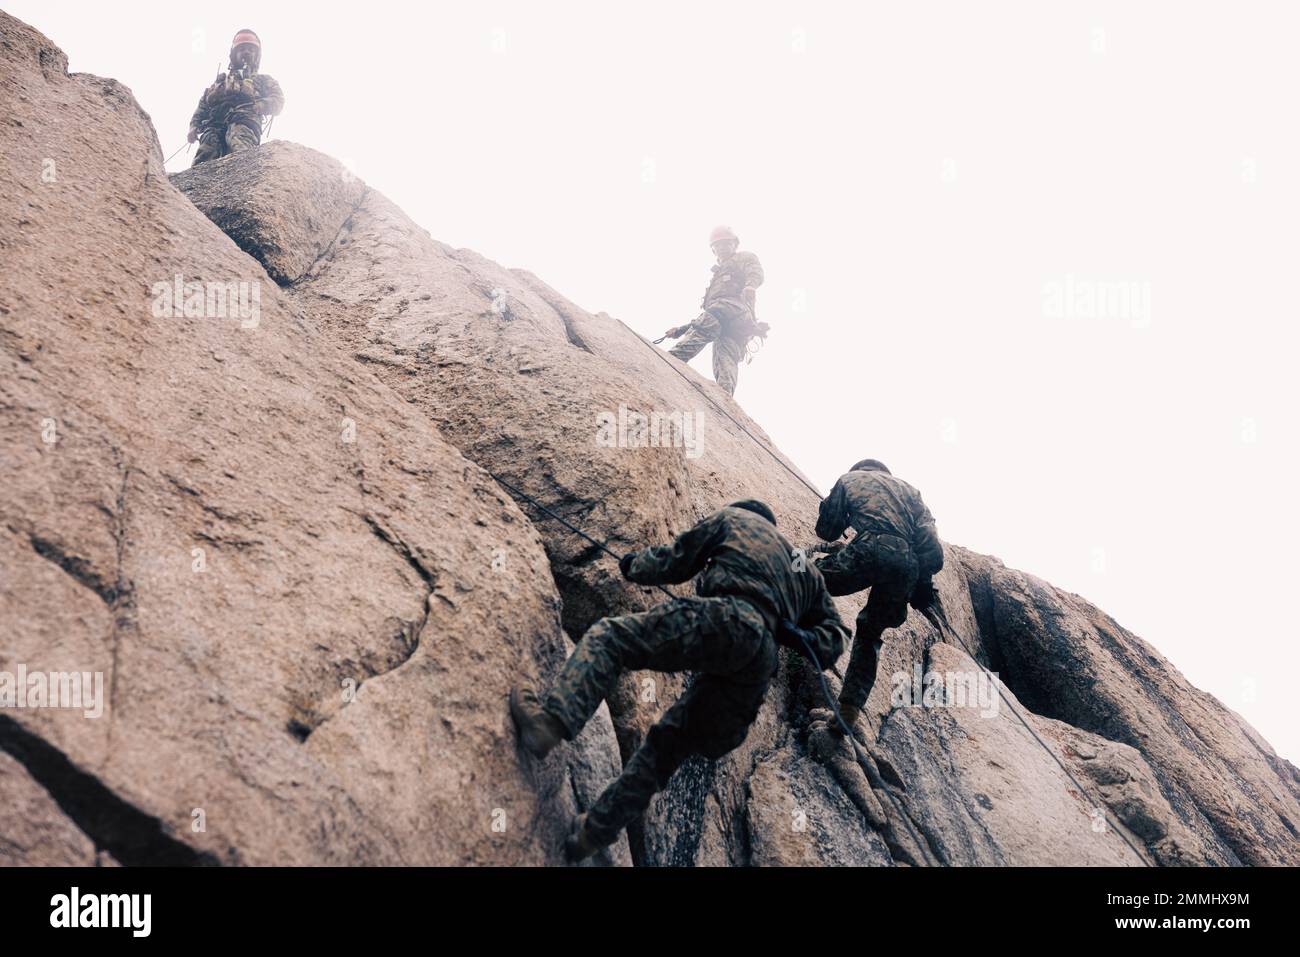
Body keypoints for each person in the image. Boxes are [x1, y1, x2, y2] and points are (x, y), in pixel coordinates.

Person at [509, 500, 848, 860]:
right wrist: (800, 637)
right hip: (759, 663)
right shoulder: (802, 568)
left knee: (611, 639)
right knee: (667, 748)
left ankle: (551, 723)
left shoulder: (733, 518)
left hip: (724, 619)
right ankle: (592, 833)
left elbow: (676, 561)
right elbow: (837, 635)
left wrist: (633, 565)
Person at [812, 459, 944, 736]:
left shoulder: (850, 480)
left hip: (869, 549)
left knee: (807, 578)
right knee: (870, 633)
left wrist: (838, 514)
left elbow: (826, 530)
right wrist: (923, 583)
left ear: (860, 469)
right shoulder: (911, 491)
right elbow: (930, 543)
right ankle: (848, 710)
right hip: (906, 564)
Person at [660, 226, 766, 396]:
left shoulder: (742, 258)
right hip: (736, 324)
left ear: (735, 244)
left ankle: (665, 362)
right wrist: (680, 330)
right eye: (718, 245)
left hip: (733, 310)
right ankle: (724, 398)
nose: (722, 247)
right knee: (725, 359)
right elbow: (708, 317)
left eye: (726, 243)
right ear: (713, 249)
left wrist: (751, 285)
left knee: (702, 332)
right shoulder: (718, 276)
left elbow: (755, 271)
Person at [187, 29, 284, 166]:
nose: (246, 52)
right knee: (205, 154)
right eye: (242, 49)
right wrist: (193, 126)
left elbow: (278, 101)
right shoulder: (220, 82)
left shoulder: (263, 80)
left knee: (240, 149)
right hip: (214, 126)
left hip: (244, 122)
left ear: (257, 55)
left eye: (251, 49)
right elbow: (203, 105)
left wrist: (258, 106)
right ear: (234, 54)